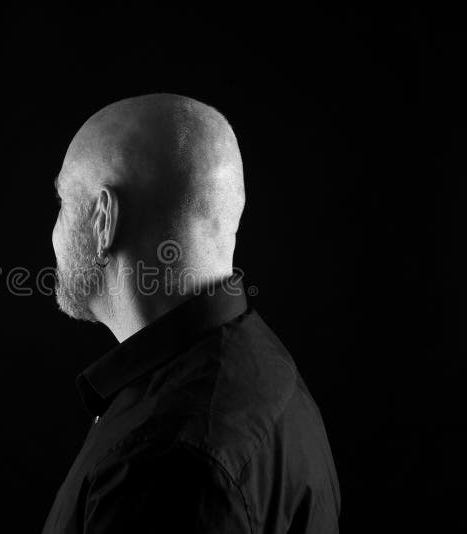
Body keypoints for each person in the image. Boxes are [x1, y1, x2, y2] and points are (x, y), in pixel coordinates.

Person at [44, 93, 340, 533]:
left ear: (103, 219)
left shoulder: (164, 463)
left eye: (64, 204)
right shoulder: (265, 367)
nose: (53, 231)